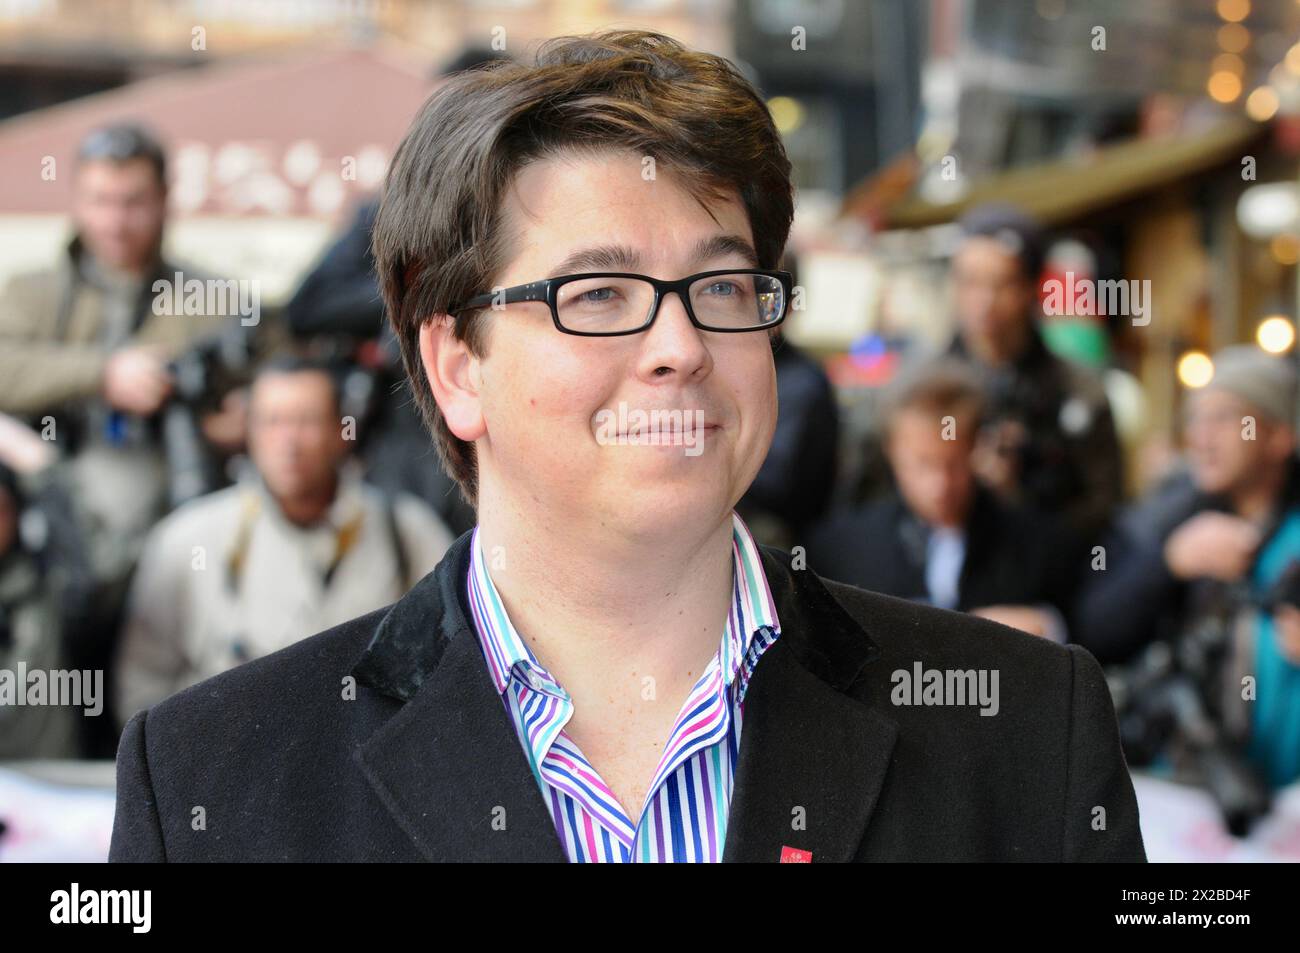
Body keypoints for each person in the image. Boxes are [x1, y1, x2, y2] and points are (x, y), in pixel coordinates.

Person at [110, 30, 1143, 862]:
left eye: (722, 287)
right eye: (596, 292)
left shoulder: (1025, 733)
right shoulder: (213, 780)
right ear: (456, 364)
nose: (682, 346)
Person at [113, 356, 454, 726]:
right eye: (272, 422)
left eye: (306, 421)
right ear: (249, 433)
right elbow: (142, 692)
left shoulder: (407, 533)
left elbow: (454, 666)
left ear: (343, 431)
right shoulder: (185, 541)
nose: (288, 441)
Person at [1076, 346, 1300, 787]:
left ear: (1279, 437)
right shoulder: (1169, 517)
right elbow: (1092, 632)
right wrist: (1168, 564)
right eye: (1196, 418)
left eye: (1225, 418)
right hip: (1184, 795)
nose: (1202, 435)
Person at [807, 360, 1080, 639]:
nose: (940, 485)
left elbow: (1079, 626)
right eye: (923, 464)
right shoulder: (843, 548)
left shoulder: (1035, 543)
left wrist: (1047, 625)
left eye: (954, 464)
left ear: (976, 448)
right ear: (891, 452)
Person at [945, 203, 1124, 542]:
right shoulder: (923, 388)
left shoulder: (1079, 392)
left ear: (1030, 288)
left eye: (1001, 284)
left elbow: (1103, 509)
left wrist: (1025, 495)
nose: (984, 301)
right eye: (969, 282)